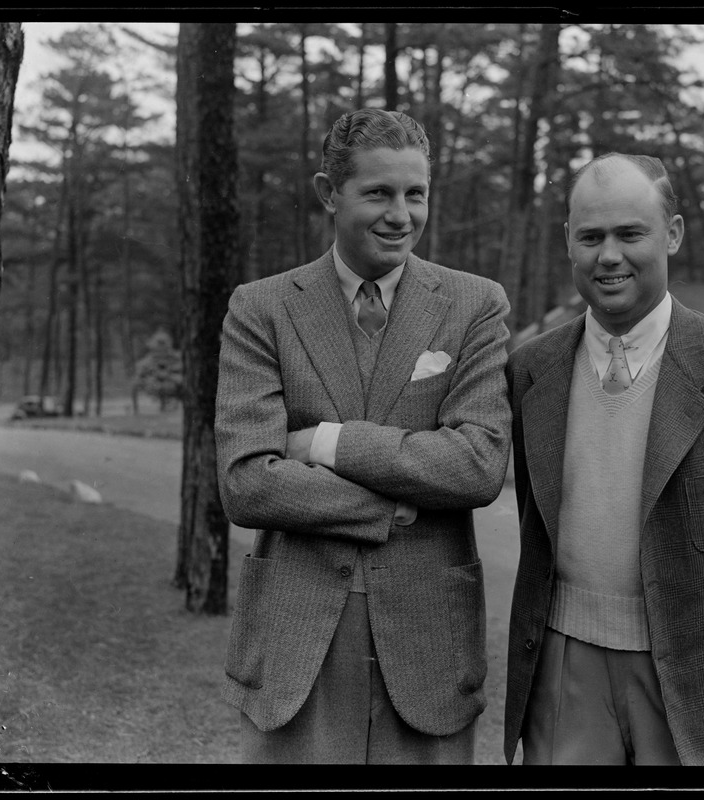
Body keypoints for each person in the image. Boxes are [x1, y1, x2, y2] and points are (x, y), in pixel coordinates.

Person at [215, 108, 512, 765]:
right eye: (377, 192)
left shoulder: (474, 305)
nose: (399, 214)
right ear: (328, 192)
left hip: (428, 644)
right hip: (296, 642)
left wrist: (325, 444)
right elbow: (246, 485)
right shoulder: (262, 307)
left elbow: (478, 465)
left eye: (415, 194)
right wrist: (399, 503)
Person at [502, 152, 704, 767]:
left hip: (696, 672)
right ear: (569, 242)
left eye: (630, 234)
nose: (609, 256)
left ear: (671, 234)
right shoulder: (531, 370)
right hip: (562, 668)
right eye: (590, 237)